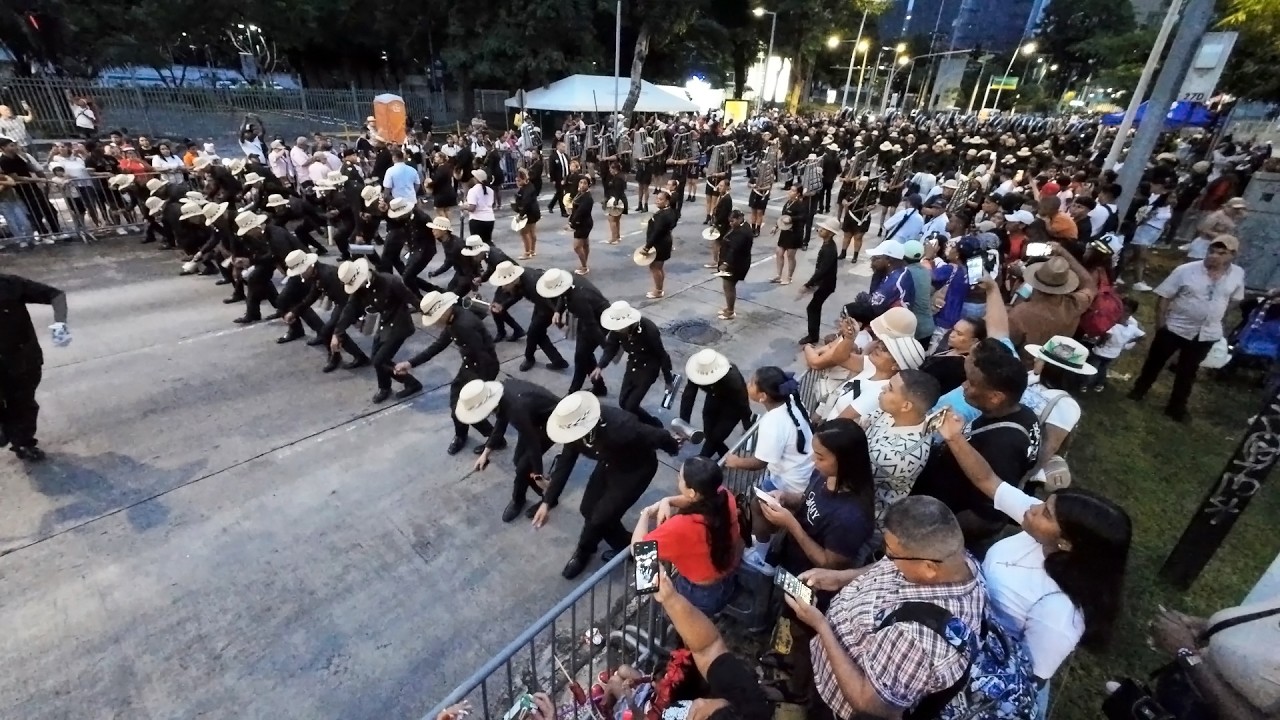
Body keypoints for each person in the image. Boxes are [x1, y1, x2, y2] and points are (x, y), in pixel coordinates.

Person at [939, 408, 1131, 715]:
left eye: (1046, 513)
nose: (1033, 508)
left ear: (1066, 543)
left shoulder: (1060, 614)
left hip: (981, 673)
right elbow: (989, 481)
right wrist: (954, 437)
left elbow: (1028, 679)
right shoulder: (1038, 526)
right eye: (1044, 504)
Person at [794, 496, 986, 720]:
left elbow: (868, 704)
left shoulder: (917, 640)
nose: (888, 557)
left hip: (838, 705)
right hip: (826, 663)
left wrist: (821, 626)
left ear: (929, 568)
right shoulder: (959, 561)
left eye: (893, 554)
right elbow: (886, 568)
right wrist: (839, 578)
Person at [533, 391, 681, 579]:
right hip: (609, 465)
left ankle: (585, 552)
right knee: (587, 509)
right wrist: (547, 501)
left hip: (635, 471)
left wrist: (674, 448)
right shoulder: (572, 432)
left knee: (600, 518)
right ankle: (628, 548)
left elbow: (659, 436)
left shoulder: (622, 426)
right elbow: (565, 463)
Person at [1128, 236, 1245, 422]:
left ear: (1232, 255)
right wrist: (1161, 326)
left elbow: (1235, 299)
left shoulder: (1237, 274)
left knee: (1188, 371)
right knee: (1155, 362)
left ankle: (1176, 407)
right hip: (1175, 327)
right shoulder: (1186, 271)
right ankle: (1138, 391)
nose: (1214, 256)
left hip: (1206, 333)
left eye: (1221, 253)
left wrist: (1215, 315)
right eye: (1212, 251)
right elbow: (1164, 297)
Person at [651, 572, 773, 720]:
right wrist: (669, 598)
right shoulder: (749, 704)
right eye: (710, 701)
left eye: (696, 717)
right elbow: (709, 647)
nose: (700, 702)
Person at [631, 456, 741, 615]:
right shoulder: (725, 496)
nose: (677, 478)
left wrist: (646, 514)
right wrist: (667, 501)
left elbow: (639, 550)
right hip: (726, 577)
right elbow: (698, 499)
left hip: (699, 594)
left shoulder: (683, 526)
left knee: (692, 634)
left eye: (680, 477)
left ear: (691, 491)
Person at [396, 291, 499, 454]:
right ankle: (462, 435)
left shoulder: (464, 325)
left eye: (435, 319)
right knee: (456, 404)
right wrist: (410, 363)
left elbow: (483, 355)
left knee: (467, 408)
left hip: (481, 368)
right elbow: (439, 344)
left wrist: (484, 385)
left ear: (443, 311)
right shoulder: (453, 319)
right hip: (471, 365)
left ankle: (494, 439)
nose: (435, 324)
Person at [460, 377, 557, 522]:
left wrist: (538, 476)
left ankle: (545, 498)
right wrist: (487, 452)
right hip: (532, 419)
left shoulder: (516, 409)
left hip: (552, 422)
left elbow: (534, 443)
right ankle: (540, 494)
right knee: (519, 462)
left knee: (524, 467)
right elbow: (501, 420)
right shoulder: (498, 395)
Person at [0, 273, 70, 462]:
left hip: (22, 360)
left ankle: (23, 442)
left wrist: (60, 328)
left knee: (23, 405)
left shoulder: (11, 285)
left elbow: (56, 295)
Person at [333, 258, 423, 403]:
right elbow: (349, 309)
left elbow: (412, 299)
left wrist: (429, 312)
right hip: (383, 325)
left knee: (379, 360)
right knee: (377, 358)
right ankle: (384, 387)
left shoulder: (390, 281)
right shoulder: (360, 290)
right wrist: (337, 332)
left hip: (400, 325)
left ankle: (411, 383)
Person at [723, 366, 815, 495]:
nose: (747, 384)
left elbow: (760, 463)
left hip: (792, 483)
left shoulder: (772, 422)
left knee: (757, 505)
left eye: (751, 383)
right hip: (807, 470)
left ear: (763, 396)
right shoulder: (792, 400)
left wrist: (737, 462)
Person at [279, 250, 370, 373]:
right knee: (329, 330)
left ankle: (341, 356)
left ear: (310, 266)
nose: (301, 276)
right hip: (342, 302)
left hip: (350, 303)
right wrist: (295, 312)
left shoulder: (328, 275)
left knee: (331, 330)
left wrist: (343, 326)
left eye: (301, 272)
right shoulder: (316, 274)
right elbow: (312, 296)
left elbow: (346, 302)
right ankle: (345, 356)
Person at [597, 301, 675, 428]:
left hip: (649, 367)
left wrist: (668, 380)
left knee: (631, 406)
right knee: (623, 402)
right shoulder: (617, 330)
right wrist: (600, 366)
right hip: (633, 363)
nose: (617, 330)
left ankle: (653, 425)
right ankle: (639, 422)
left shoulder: (648, 329)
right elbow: (611, 347)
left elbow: (662, 355)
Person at [538, 268, 610, 396]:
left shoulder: (578, 299)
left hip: (600, 321)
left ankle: (573, 392)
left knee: (581, 357)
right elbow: (563, 295)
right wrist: (557, 311)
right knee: (585, 355)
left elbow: (592, 325)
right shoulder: (567, 279)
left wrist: (606, 347)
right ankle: (599, 387)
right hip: (588, 316)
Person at [679, 349, 753, 460]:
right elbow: (688, 396)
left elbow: (743, 402)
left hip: (733, 406)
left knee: (715, 437)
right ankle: (725, 455)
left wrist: (747, 425)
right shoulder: (697, 370)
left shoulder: (733, 379)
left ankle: (700, 461)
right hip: (714, 397)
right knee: (708, 431)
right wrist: (684, 426)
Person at [799, 217, 841, 345]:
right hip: (823, 283)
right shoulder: (827, 245)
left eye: (824, 229)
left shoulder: (829, 249)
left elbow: (822, 270)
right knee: (813, 307)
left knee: (813, 308)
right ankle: (813, 335)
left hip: (825, 284)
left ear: (831, 233)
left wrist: (808, 284)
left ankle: (813, 336)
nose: (820, 230)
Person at [716, 209, 753, 320]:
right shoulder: (742, 226)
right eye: (730, 221)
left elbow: (734, 249)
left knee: (729, 286)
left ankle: (730, 311)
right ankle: (729, 307)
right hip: (735, 261)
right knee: (727, 285)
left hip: (736, 264)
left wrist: (726, 263)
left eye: (733, 221)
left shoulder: (742, 232)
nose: (731, 224)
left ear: (740, 219)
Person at [640, 190, 677, 299]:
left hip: (660, 244)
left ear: (667, 202)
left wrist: (647, 247)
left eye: (660, 199)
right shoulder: (670, 212)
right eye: (657, 198)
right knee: (659, 267)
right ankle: (659, 289)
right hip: (665, 242)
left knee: (654, 267)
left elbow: (657, 233)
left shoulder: (662, 215)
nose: (657, 201)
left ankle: (658, 291)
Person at [568, 176, 594, 275]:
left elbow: (580, 212)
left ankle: (584, 267)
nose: (582, 185)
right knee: (585, 244)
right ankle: (584, 264)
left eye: (584, 183)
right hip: (584, 222)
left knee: (577, 246)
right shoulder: (581, 194)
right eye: (580, 183)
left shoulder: (587, 198)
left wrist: (572, 223)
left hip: (583, 223)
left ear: (588, 185)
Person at [463, 169, 496, 244]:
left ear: (476, 179)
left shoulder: (472, 191)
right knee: (487, 241)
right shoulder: (490, 190)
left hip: (477, 219)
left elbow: (472, 208)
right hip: (490, 219)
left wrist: (463, 207)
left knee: (477, 243)